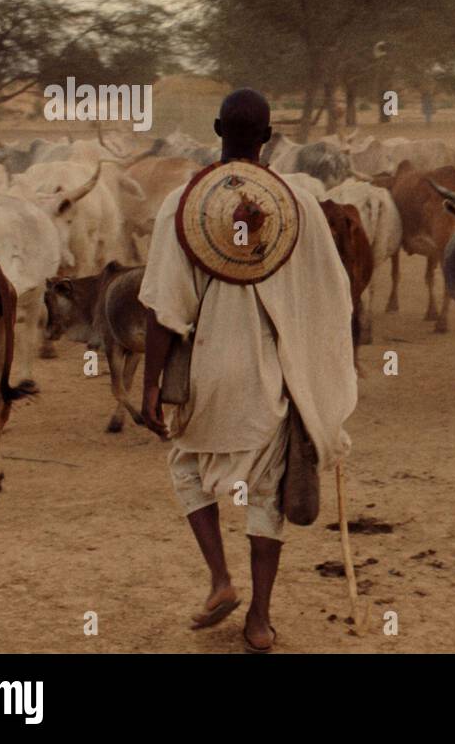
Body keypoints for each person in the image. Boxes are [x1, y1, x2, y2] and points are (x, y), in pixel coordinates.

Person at [138, 88, 356, 651]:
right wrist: (318, 374)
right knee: (266, 494)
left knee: (187, 468)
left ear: (216, 129)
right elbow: (333, 296)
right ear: (267, 138)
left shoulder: (184, 203)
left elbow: (163, 307)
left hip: (209, 369)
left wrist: (150, 388)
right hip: (273, 374)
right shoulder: (300, 204)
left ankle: (218, 579)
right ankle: (259, 620)